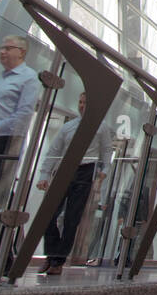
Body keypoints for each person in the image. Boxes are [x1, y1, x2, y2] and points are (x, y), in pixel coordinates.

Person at [36, 92, 113, 275]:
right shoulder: (68, 127)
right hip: (65, 170)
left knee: (72, 219)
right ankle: (52, 253)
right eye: (80, 102)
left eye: (85, 102)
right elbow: (54, 150)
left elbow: (107, 152)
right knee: (49, 214)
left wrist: (104, 172)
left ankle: (58, 260)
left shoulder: (101, 128)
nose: (81, 106)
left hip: (85, 173)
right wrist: (44, 175)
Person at [0, 35, 38, 199]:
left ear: (21, 52)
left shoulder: (29, 77)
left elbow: (24, 114)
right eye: (1, 48)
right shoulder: (1, 79)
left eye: (7, 48)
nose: (2, 52)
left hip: (5, 140)